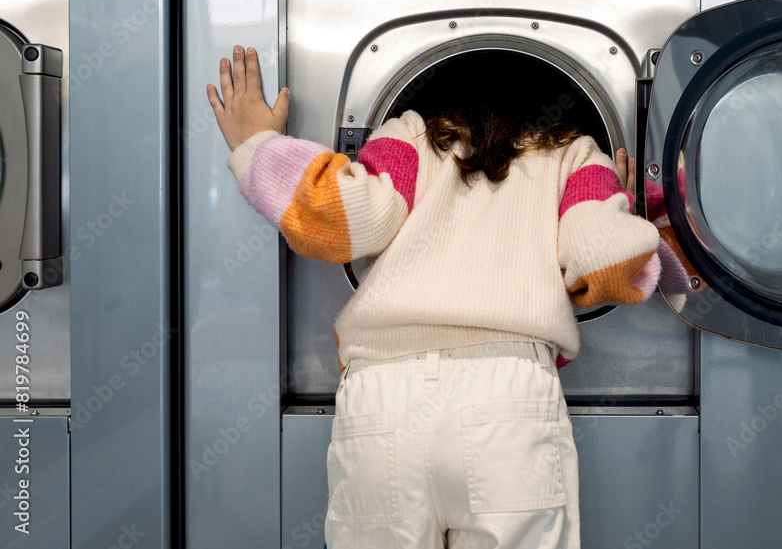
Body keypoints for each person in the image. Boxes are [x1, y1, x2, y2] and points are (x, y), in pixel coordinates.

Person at [207, 44, 689, 549]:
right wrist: (628, 213)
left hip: (383, 401)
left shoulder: (410, 134)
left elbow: (343, 216)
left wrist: (257, 143)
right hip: (508, 403)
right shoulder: (576, 153)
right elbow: (600, 258)